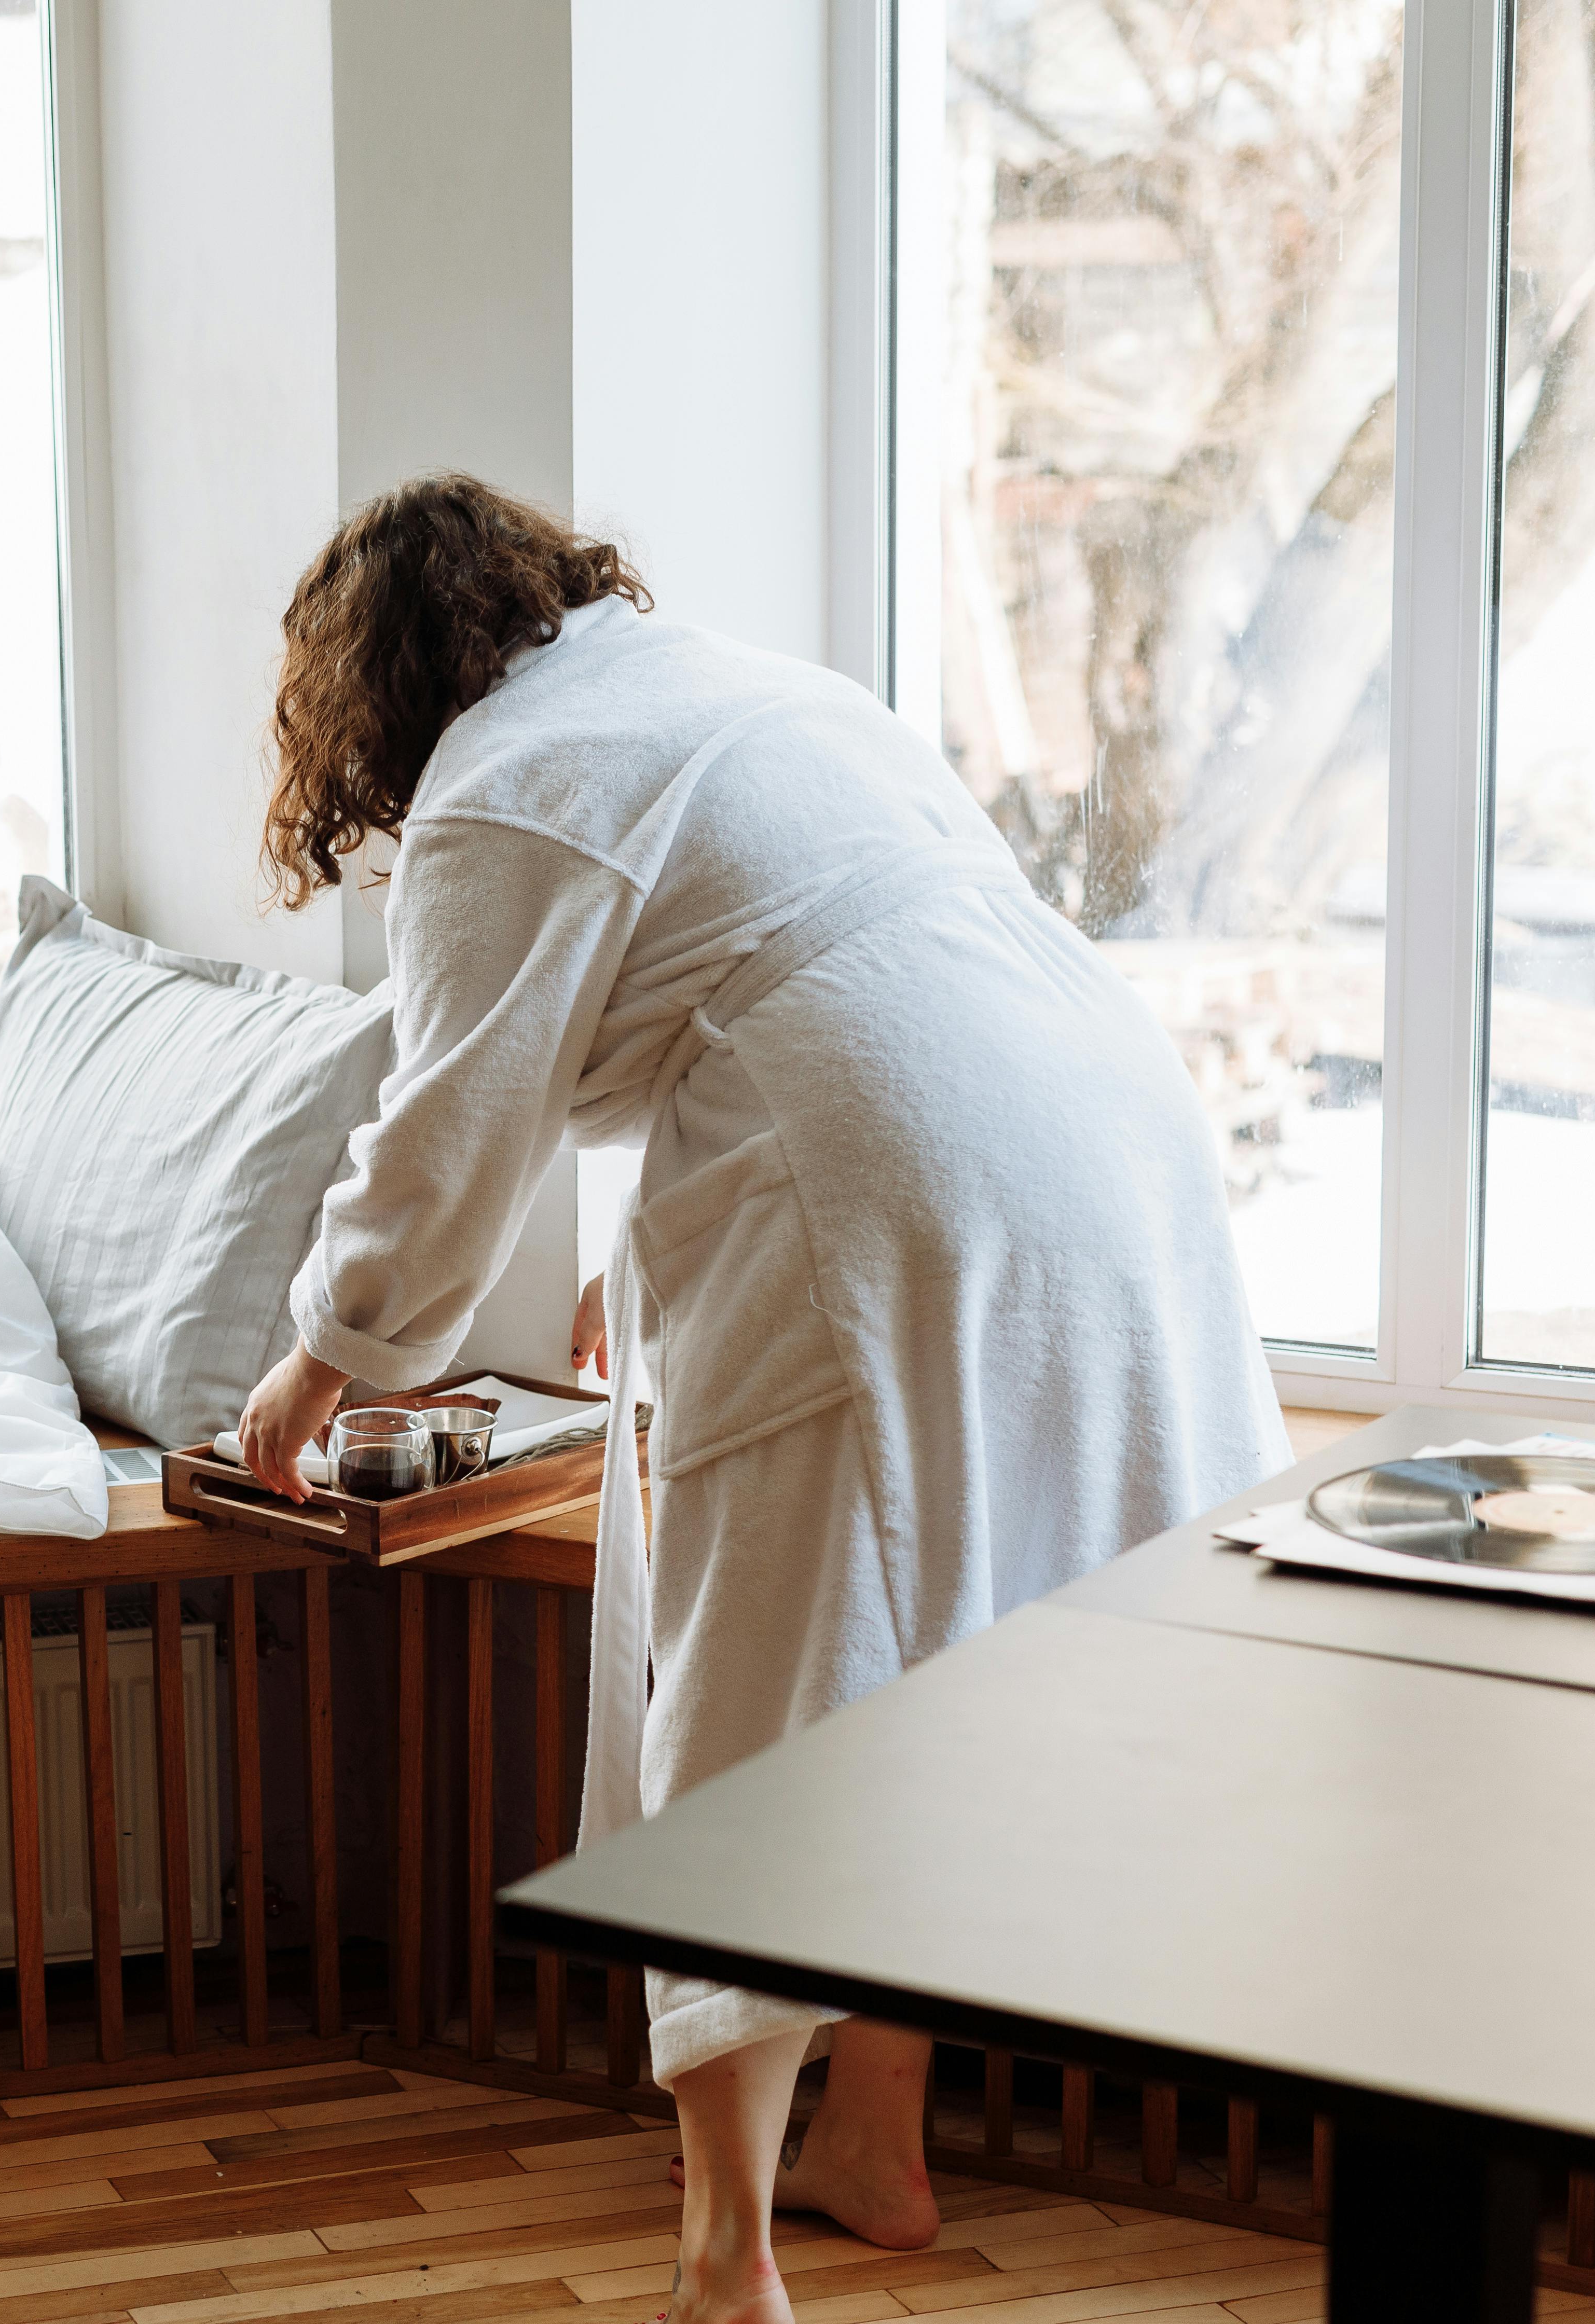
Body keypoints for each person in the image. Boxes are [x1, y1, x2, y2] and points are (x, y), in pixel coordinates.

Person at [235, 476, 1283, 2323]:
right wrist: (646, 1245)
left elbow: (447, 1138)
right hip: (1102, 1130)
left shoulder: (503, 788)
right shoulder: (757, 690)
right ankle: (876, 2142)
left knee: (768, 1697)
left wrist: (319, 1361)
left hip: (889, 1179)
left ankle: (728, 2256)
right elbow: (790, 969)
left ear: (369, 690)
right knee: (941, 1672)